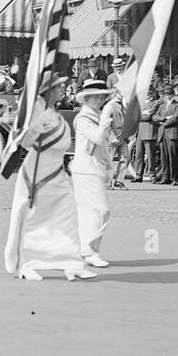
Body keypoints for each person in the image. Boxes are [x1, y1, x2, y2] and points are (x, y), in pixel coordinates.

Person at [3, 83, 95, 282]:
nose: (63, 89)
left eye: (63, 86)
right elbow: (25, 142)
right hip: (37, 173)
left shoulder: (54, 112)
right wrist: (35, 128)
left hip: (57, 172)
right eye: (58, 86)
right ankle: (26, 264)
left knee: (69, 216)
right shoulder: (39, 111)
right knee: (34, 219)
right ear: (47, 90)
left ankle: (72, 264)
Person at [70, 80, 115, 268]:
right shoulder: (83, 118)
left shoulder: (96, 116)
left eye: (101, 96)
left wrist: (109, 167)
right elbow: (97, 137)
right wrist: (106, 116)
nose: (99, 99)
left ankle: (85, 250)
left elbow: (105, 143)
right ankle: (90, 250)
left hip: (93, 167)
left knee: (89, 211)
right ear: (86, 98)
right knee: (101, 210)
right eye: (95, 96)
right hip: (86, 169)